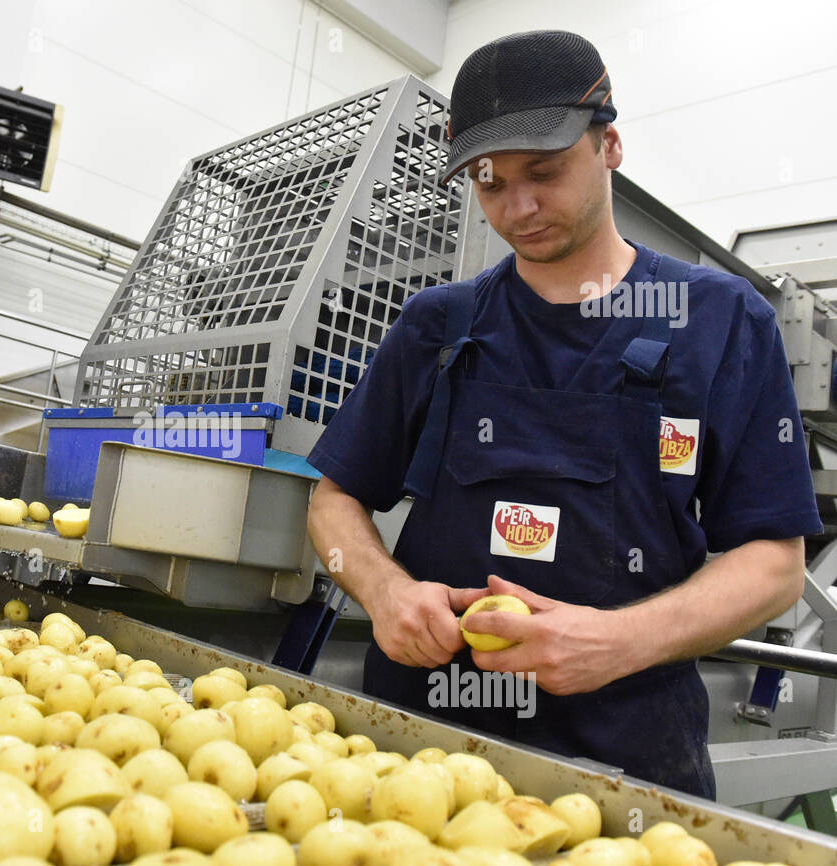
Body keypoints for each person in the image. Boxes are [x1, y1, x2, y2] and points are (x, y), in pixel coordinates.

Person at [304, 29, 821, 798]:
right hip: (422, 749)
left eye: (544, 173)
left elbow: (775, 566)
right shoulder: (437, 324)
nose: (519, 208)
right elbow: (332, 500)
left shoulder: (718, 319)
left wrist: (615, 641)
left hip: (626, 763)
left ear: (609, 144)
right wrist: (383, 592)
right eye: (490, 184)